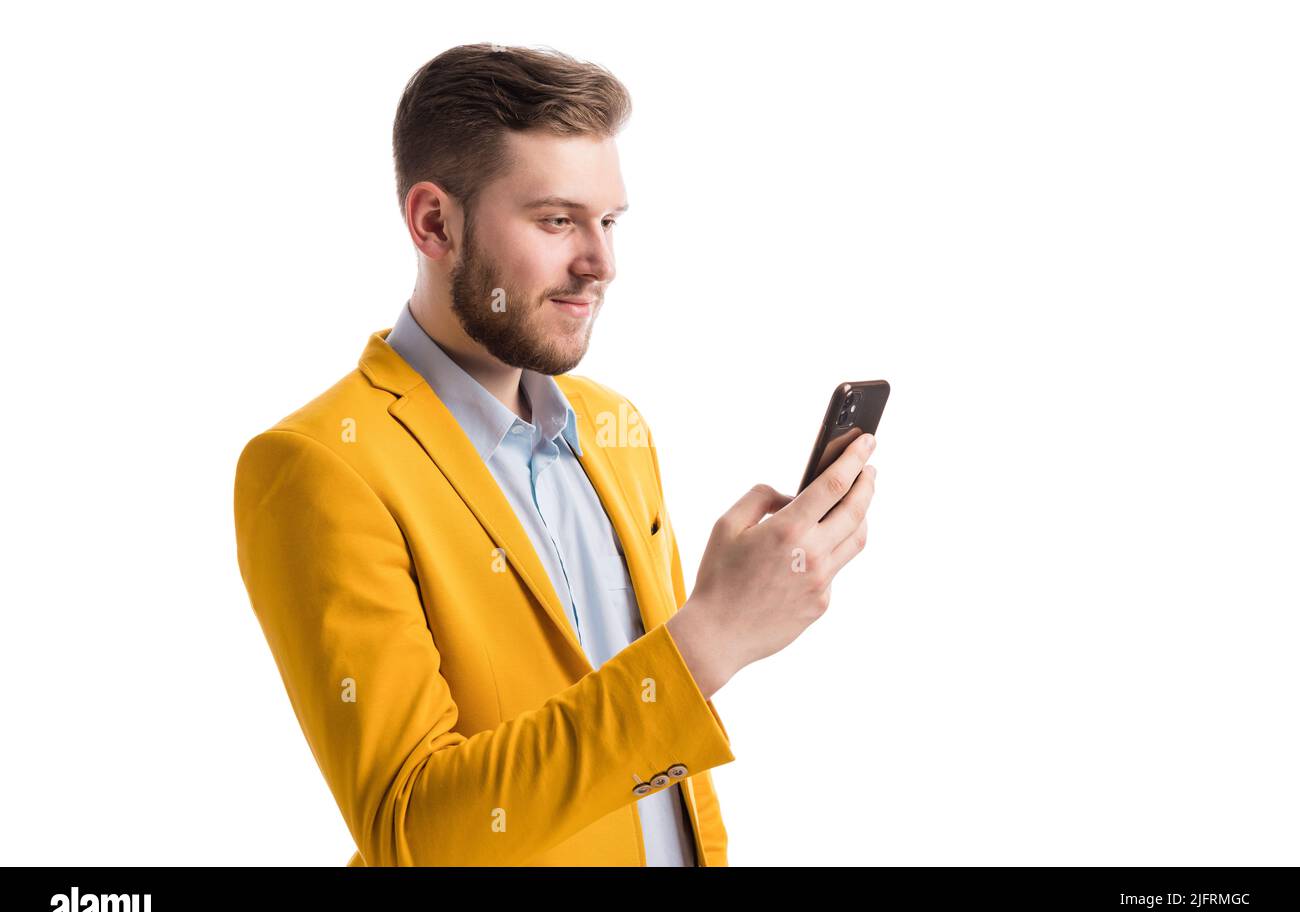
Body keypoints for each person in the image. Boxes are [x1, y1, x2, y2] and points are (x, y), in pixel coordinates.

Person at [232, 42, 878, 867]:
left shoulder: (618, 430)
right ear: (434, 222)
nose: (600, 263)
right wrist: (711, 636)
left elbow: (649, 754)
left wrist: (738, 607)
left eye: (608, 221)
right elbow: (412, 833)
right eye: (556, 219)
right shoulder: (319, 466)